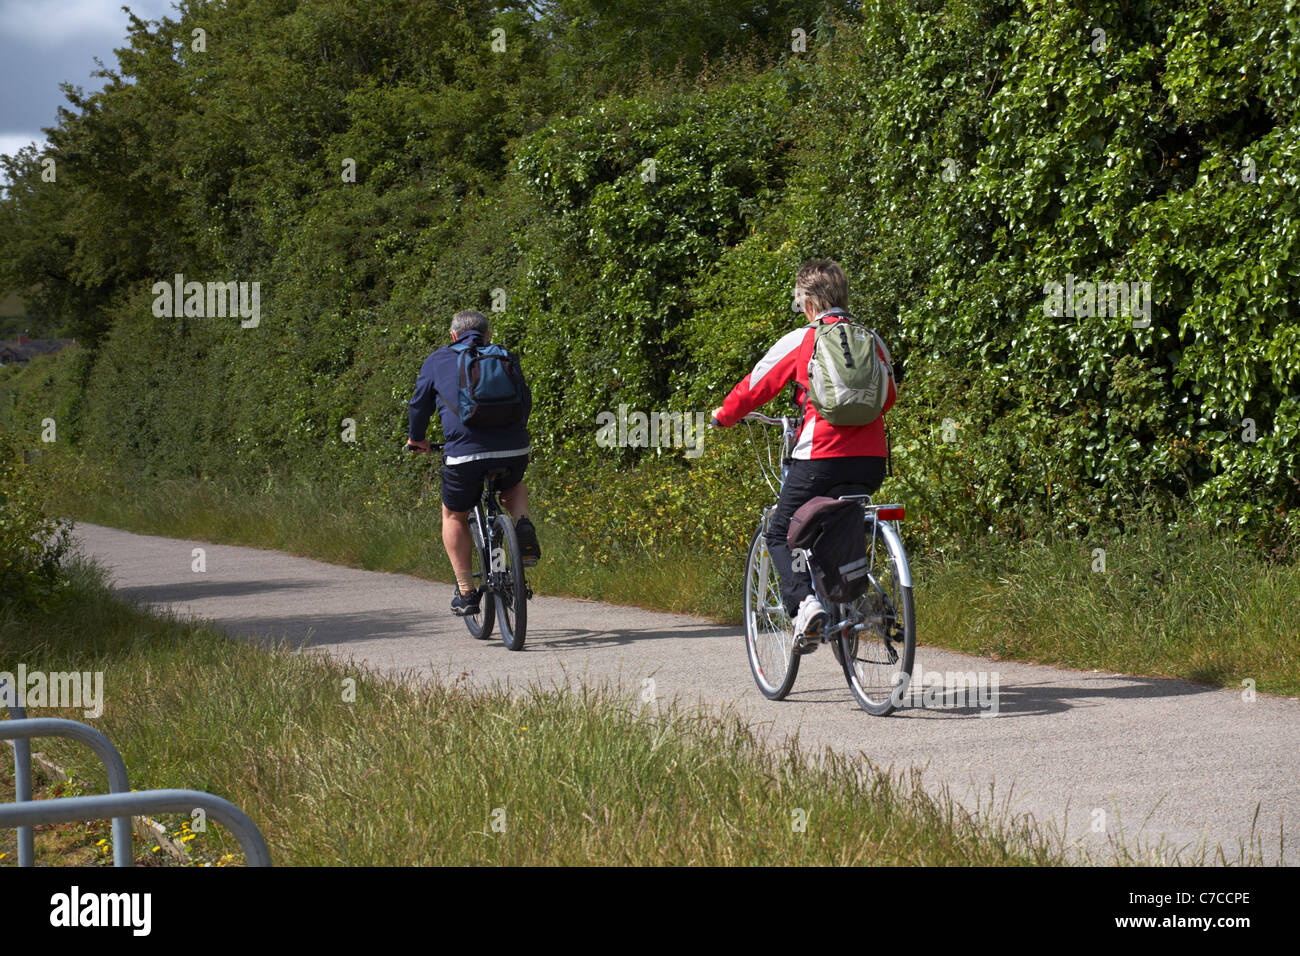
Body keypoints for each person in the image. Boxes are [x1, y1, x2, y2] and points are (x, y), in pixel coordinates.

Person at [711, 260, 897, 642]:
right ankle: (853, 599)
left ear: (808, 303)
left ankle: (805, 606)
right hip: (872, 460)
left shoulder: (803, 339)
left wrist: (724, 416)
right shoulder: (872, 340)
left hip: (820, 457)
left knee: (779, 529)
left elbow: (755, 386)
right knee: (838, 518)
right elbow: (887, 397)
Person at [407, 309, 541, 616]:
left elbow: (419, 406)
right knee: (514, 485)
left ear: (453, 336)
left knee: (454, 514)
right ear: (487, 334)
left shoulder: (438, 360)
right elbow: (526, 399)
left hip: (464, 455)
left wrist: (417, 439)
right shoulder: (505, 356)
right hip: (514, 449)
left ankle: (466, 593)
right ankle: (521, 523)